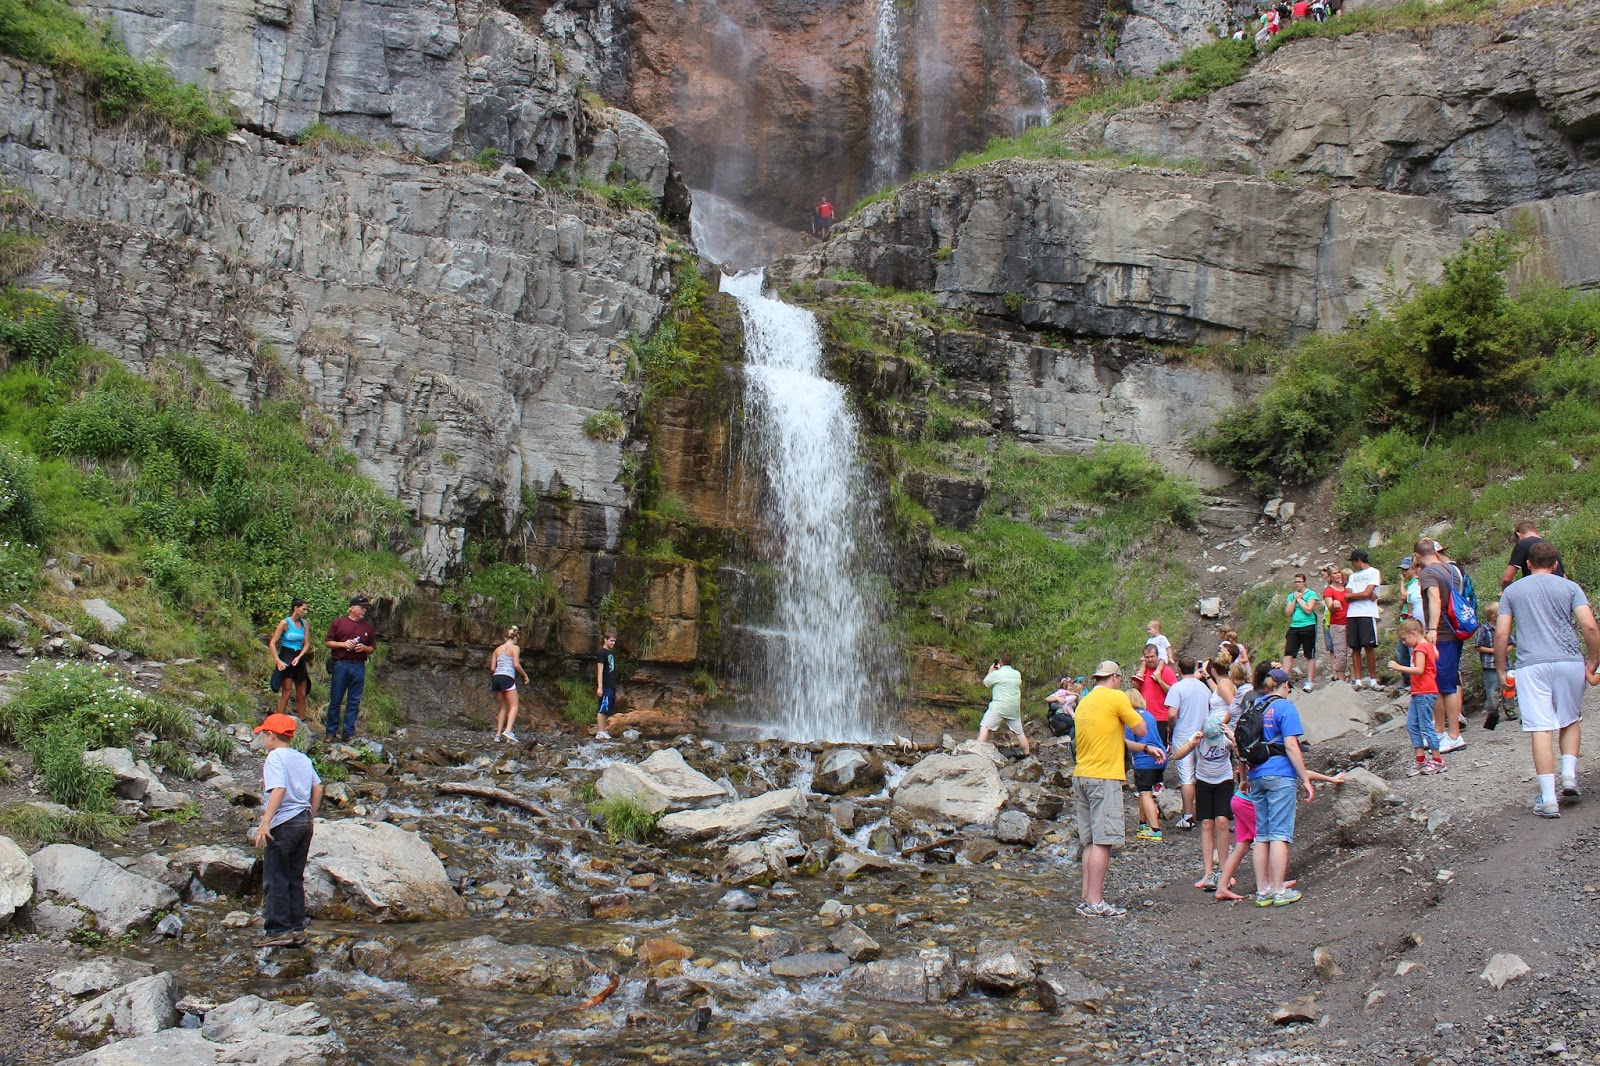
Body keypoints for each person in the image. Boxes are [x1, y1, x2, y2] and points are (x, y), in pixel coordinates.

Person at [1495, 540, 1600, 817]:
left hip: (1532, 665)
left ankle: (1548, 798)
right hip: (1569, 661)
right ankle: (1568, 777)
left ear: (1527, 565)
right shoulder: (1570, 587)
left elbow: (1502, 634)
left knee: (1541, 728)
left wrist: (1501, 668)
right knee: (1570, 719)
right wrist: (1593, 660)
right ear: (1555, 565)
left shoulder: (1512, 591)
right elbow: (1589, 625)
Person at [1073, 660, 1146, 917]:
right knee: (1104, 842)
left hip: (1081, 774)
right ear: (1114, 678)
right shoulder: (1116, 698)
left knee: (1090, 841)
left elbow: (1107, 734)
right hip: (1104, 776)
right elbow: (1141, 728)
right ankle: (1095, 901)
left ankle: (1086, 898)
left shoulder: (1084, 702)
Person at [249, 713, 322, 948]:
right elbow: (318, 788)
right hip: (303, 821)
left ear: (271, 735)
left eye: (263, 735)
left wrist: (265, 822)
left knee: (275, 878)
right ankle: (297, 928)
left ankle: (278, 930)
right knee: (294, 878)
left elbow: (278, 789)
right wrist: (309, 816)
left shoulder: (274, 758)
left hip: (284, 823)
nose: (262, 740)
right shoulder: (301, 758)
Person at [1244, 664, 1315, 906]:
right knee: (1279, 834)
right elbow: (1292, 746)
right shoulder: (1285, 707)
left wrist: (1244, 776)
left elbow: (1242, 744)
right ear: (1285, 685)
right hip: (1280, 774)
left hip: (1256, 775)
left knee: (1262, 834)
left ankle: (1262, 891)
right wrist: (1305, 778)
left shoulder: (1254, 706)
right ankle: (1279, 891)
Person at [1169, 712, 1234, 891]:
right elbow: (1177, 755)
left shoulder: (1225, 737)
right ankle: (1208, 872)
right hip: (1204, 781)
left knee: (1221, 822)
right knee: (1206, 824)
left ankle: (1224, 869)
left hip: (1224, 781)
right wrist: (1192, 743)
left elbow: (1242, 753)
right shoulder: (1199, 738)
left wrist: (1233, 737)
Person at [1415, 538, 1466, 753]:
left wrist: (1432, 630)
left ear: (1417, 556)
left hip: (1442, 634)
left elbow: (1435, 600)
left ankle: (1454, 735)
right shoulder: (1452, 569)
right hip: (1455, 630)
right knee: (1444, 682)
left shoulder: (1428, 573)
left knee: (1445, 685)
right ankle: (1439, 732)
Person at [1389, 620, 1444, 776]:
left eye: (1405, 639)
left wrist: (1399, 667)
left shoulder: (1420, 648)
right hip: (1418, 691)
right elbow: (1437, 655)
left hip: (1425, 691)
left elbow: (1419, 670)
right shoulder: (1427, 646)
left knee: (1426, 725)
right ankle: (1420, 759)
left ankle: (1438, 760)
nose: (1405, 643)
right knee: (1412, 725)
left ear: (1414, 633)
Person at [1164, 656, 1213, 831]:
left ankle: (1187, 815)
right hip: (1202, 734)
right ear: (1194, 669)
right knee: (1201, 774)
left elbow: (1171, 714)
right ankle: (1204, 811)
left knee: (1186, 777)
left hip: (1183, 735)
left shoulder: (1176, 688)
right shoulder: (1204, 688)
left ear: (1179, 669)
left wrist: (1171, 727)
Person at [323, 595, 376, 742]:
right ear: (352, 608)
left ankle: (348, 733)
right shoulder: (339, 623)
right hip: (341, 664)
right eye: (361, 607)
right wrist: (343, 644)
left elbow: (372, 648)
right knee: (336, 698)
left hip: (359, 665)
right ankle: (330, 732)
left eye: (365, 608)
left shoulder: (367, 627)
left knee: (354, 700)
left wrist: (364, 648)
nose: (364, 610)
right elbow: (328, 642)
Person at [1126, 690, 1166, 842]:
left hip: (1145, 759)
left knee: (1144, 793)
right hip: (1160, 757)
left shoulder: (1130, 718)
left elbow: (1129, 743)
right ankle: (1143, 824)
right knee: (1146, 791)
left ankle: (1155, 829)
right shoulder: (1149, 715)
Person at [1474, 602, 1516, 729]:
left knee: (1509, 687)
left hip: (1506, 663)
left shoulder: (1505, 628)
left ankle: (1510, 708)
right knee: (1492, 689)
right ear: (1494, 616)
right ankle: (1493, 712)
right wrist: (1494, 651)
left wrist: (1505, 650)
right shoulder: (1483, 630)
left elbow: (1512, 643)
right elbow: (1478, 646)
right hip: (1490, 665)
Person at [1345, 549, 1383, 689]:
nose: (1353, 565)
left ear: (1358, 560)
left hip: (1367, 612)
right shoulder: (1353, 576)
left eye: (1353, 562)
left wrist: (1355, 595)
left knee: (1369, 645)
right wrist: (1363, 595)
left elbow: (1368, 593)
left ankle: (1373, 680)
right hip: (1352, 613)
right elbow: (1346, 596)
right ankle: (1358, 681)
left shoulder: (1373, 572)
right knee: (1355, 647)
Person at [978, 653, 1030, 756]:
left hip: (999, 707)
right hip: (1013, 708)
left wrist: (990, 671)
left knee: (985, 726)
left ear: (1000, 662)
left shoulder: (997, 674)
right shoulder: (1017, 673)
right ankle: (1027, 753)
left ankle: (977, 751)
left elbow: (986, 683)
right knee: (1019, 733)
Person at [268, 599, 312, 719]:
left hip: (298, 658)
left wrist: (300, 656)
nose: (305, 612)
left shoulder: (305, 624)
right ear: (295, 608)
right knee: (286, 692)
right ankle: (278, 720)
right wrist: (278, 660)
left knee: (302, 693)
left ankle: (301, 721)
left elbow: (307, 643)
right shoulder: (285, 623)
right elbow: (272, 643)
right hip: (286, 656)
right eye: (303, 609)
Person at [490, 626, 532, 743]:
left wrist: (499, 673)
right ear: (515, 637)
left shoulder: (497, 649)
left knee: (503, 706)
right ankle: (508, 731)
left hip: (496, 678)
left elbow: (492, 668)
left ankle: (498, 735)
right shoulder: (515, 648)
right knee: (514, 706)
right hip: (507, 677)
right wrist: (525, 676)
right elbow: (516, 665)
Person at [1132, 642, 1177, 746]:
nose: (1150, 660)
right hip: (1144, 717)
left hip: (1161, 718)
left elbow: (1174, 693)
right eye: (1147, 657)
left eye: (1152, 656)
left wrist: (1160, 680)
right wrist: (1137, 682)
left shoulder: (1167, 671)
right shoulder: (1141, 672)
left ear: (1157, 656)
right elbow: (1135, 693)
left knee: (1161, 749)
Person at [1283, 574, 1321, 691]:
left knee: (1309, 654)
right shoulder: (1291, 596)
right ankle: (1284, 680)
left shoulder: (1311, 594)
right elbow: (1288, 612)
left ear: (1304, 582)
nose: (1297, 584)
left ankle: (1310, 681)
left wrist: (1299, 599)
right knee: (1288, 653)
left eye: (1299, 582)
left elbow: (1309, 609)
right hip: (1294, 626)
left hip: (1308, 626)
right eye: (1295, 582)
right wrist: (1294, 599)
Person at [1503, 521, 1565, 587]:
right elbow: (1564, 576)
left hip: (1537, 589)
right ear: (1536, 532)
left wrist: (1505, 593)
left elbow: (1507, 578)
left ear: (1519, 535)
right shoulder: (1551, 547)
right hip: (1559, 589)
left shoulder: (1523, 544)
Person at [1395, 554, 1424, 690]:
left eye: (1406, 569)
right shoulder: (1410, 585)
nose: (1404, 572)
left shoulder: (1416, 583)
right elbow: (1403, 604)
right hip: (1406, 620)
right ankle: (1407, 681)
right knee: (1403, 652)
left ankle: (1412, 681)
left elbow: (1403, 597)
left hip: (1413, 623)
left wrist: (1401, 582)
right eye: (1402, 569)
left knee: (1411, 650)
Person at [1321, 567, 1350, 684]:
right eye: (1334, 573)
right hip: (1337, 624)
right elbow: (1330, 608)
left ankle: (1353, 679)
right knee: (1341, 652)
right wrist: (1334, 605)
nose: (1338, 575)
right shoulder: (1329, 590)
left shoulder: (1347, 588)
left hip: (1351, 622)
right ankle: (1340, 679)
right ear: (1329, 576)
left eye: (1339, 572)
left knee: (1353, 651)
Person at [595, 632, 619, 740]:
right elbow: (599, 671)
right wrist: (600, 686)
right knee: (602, 707)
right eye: (611, 640)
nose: (613, 643)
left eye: (614, 641)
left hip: (611, 684)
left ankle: (604, 730)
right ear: (605, 640)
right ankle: (600, 731)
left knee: (607, 708)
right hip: (605, 685)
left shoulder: (610, 654)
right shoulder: (602, 653)